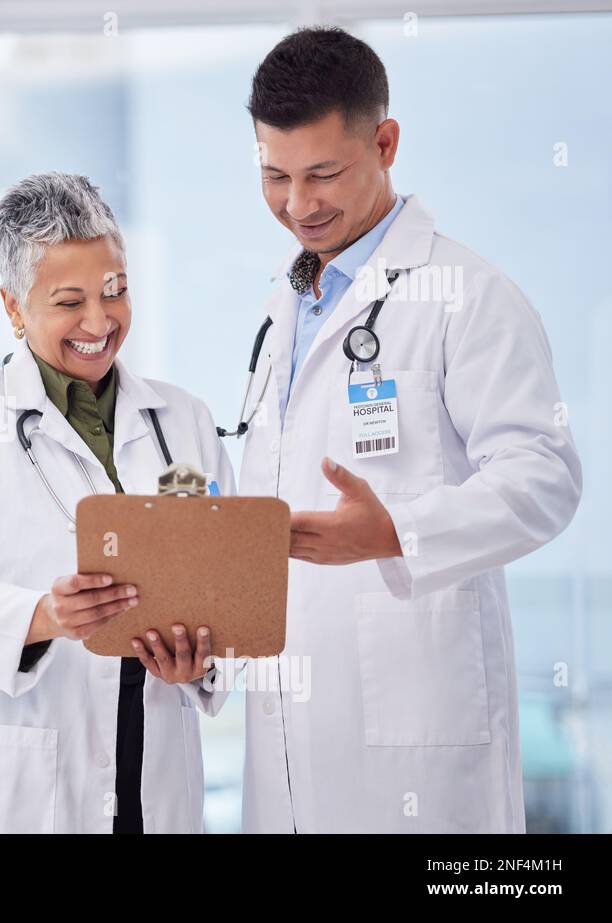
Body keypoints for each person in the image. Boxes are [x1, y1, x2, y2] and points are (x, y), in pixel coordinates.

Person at [235, 26, 581, 833]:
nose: (298, 204)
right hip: (284, 740)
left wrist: (399, 531)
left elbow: (546, 476)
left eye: (324, 173)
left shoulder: (469, 294)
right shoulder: (282, 309)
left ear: (385, 142)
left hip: (415, 751)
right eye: (275, 176)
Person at [0, 173, 235, 834]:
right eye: (69, 301)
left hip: (151, 765)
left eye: (116, 291)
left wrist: (205, 657)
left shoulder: (184, 419)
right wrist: (40, 615)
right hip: (21, 779)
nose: (100, 322)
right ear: (14, 307)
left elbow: (227, 588)